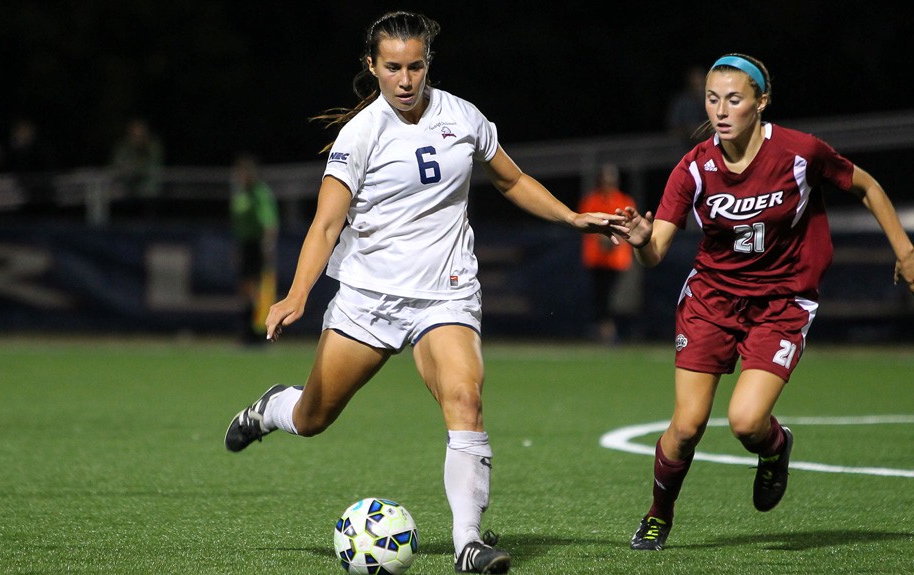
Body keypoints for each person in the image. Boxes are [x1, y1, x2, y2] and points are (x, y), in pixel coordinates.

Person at [223, 11, 626, 574]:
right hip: (369, 298)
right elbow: (325, 226)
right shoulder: (360, 134)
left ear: (427, 63)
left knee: (465, 398)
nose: (406, 79)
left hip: (447, 294)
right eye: (393, 68)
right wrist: (296, 295)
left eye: (416, 66)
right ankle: (272, 408)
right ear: (373, 66)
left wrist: (570, 217)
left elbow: (509, 178)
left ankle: (468, 542)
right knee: (314, 417)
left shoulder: (462, 116)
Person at [619, 53, 914, 551]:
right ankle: (657, 515)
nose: (721, 110)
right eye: (712, 99)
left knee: (746, 422)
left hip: (782, 302)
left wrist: (905, 250)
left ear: (761, 102)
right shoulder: (694, 168)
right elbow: (655, 254)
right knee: (687, 426)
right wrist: (641, 239)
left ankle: (775, 450)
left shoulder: (800, 153)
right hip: (711, 300)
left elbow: (867, 185)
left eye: (734, 99)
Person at [577, 164, 636, 344]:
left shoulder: (624, 201)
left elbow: (629, 228)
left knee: (611, 297)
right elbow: (583, 223)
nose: (608, 184)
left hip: (616, 260)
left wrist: (613, 238)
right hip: (596, 259)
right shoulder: (591, 200)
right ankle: (605, 330)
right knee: (599, 296)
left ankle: (608, 330)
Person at [229, 152, 279, 344]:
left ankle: (258, 332)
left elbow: (270, 222)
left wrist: (268, 246)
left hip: (257, 245)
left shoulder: (260, 193)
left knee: (258, 289)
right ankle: (246, 330)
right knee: (244, 289)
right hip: (244, 245)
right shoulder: (240, 193)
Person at [110, 117, 164, 217]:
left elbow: (152, 166)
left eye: (140, 132)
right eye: (134, 133)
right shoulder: (123, 147)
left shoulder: (153, 146)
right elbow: (116, 166)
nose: (137, 136)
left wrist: (134, 167)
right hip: (127, 191)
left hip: (148, 192)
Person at [665, 66, 707, 142]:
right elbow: (672, 129)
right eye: (694, 83)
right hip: (684, 146)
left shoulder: (714, 101)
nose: (697, 87)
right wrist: (689, 131)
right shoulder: (680, 102)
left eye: (700, 83)